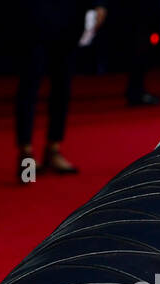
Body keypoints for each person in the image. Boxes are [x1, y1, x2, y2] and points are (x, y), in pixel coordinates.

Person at [14, 1, 107, 181]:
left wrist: (99, 4)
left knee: (62, 84)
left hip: (69, 16)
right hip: (34, 15)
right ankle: (26, 153)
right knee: (30, 83)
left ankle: (54, 148)